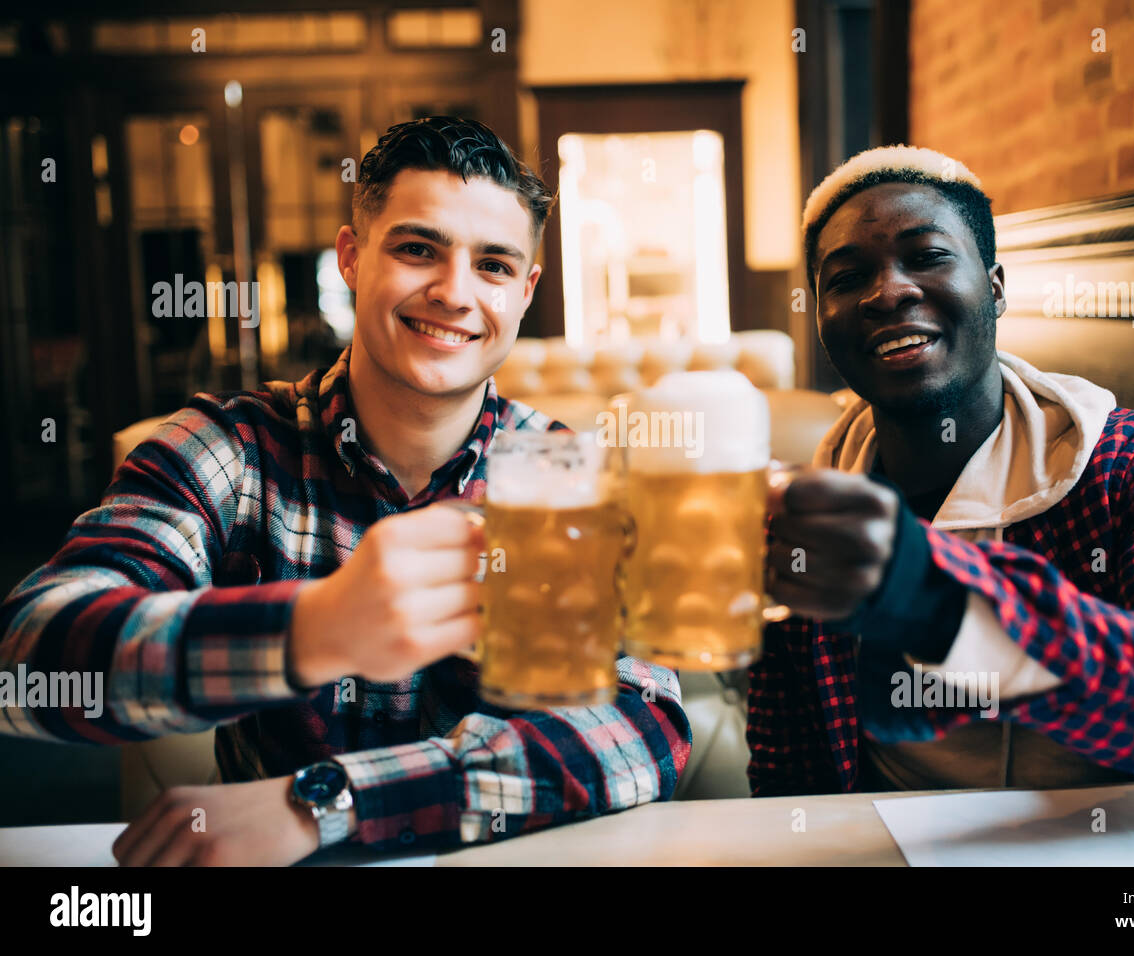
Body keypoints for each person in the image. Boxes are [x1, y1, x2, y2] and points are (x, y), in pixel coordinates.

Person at [0, 117, 690, 865]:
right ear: (353, 259)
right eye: (418, 248)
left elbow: (647, 725)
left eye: (493, 266)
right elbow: (26, 666)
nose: (456, 293)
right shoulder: (233, 448)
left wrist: (332, 801)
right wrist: (314, 628)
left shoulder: (568, 477)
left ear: (524, 293)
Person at [752, 145, 1134, 795]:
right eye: (845, 278)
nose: (889, 291)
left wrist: (938, 600)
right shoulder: (802, 517)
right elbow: (789, 783)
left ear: (996, 287)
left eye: (926, 256)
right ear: (819, 320)